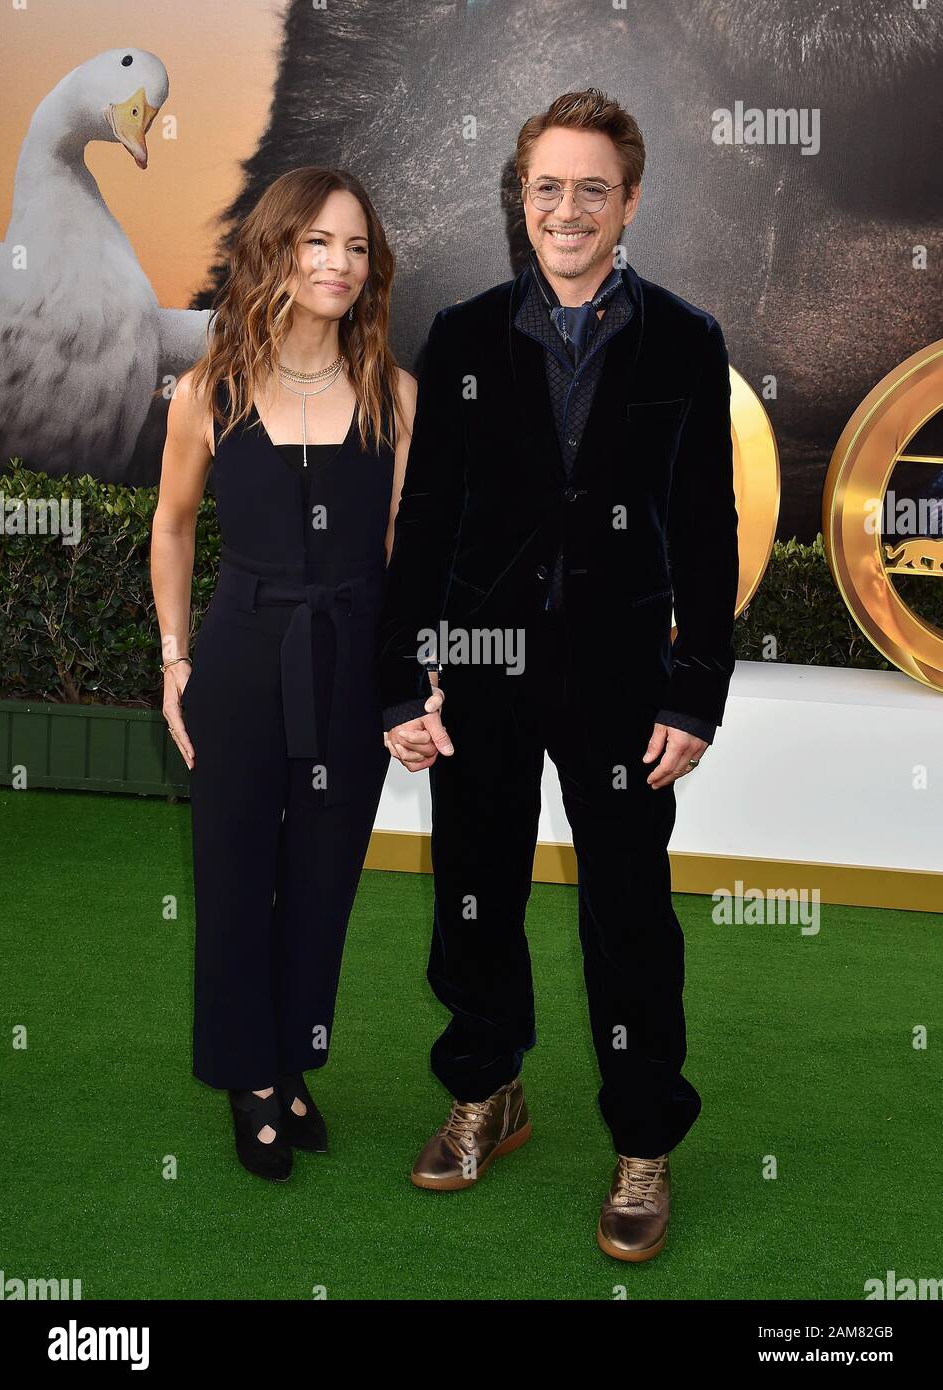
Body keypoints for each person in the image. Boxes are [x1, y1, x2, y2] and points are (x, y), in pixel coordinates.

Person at [379, 89, 739, 1260]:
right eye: (548, 187)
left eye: (594, 187)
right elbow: (424, 522)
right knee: (473, 889)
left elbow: (710, 529)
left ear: (628, 201)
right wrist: (402, 678)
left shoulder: (685, 339)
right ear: (520, 200)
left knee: (628, 914)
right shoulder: (466, 336)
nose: (568, 209)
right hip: (482, 672)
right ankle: (488, 1089)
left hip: (626, 681)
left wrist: (694, 692)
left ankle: (644, 1142)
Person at [151, 167, 416, 1182]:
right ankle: (248, 1075)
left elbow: (402, 556)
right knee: (231, 870)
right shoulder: (209, 387)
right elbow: (171, 531)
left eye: (355, 248)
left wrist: (410, 684)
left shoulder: (397, 397)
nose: (338, 265)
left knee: (321, 877)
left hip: (348, 663)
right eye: (317, 243)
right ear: (277, 249)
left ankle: (293, 1055)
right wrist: (175, 659)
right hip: (239, 655)